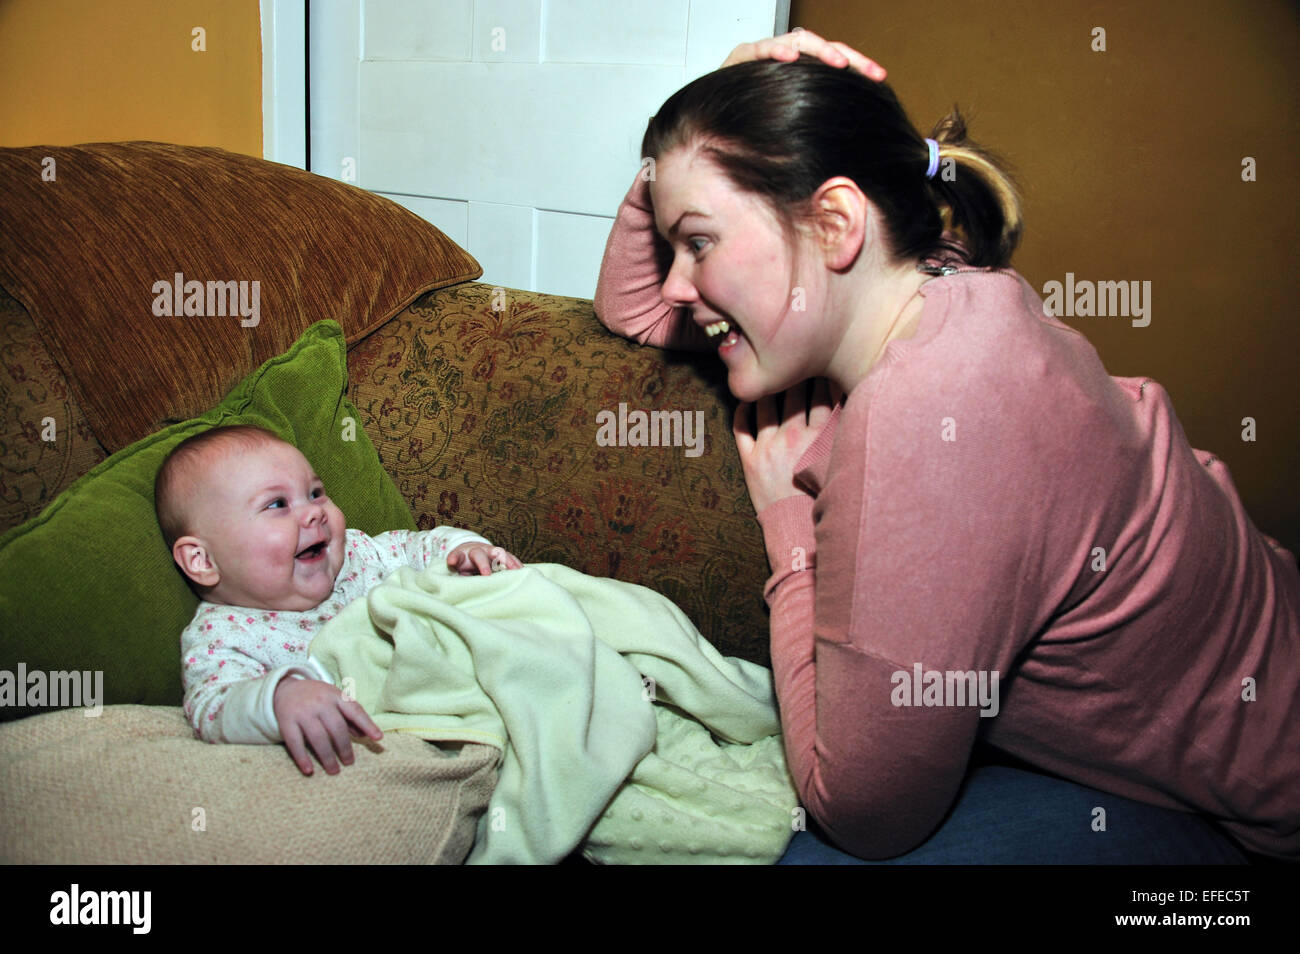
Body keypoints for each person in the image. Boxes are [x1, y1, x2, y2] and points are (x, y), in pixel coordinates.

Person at [593, 29, 1299, 863]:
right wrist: (703, 117)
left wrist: (789, 531)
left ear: (834, 224)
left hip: (1260, 810)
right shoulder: (941, 274)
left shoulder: (929, 424)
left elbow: (860, 813)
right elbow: (633, 314)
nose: (676, 284)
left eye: (699, 242)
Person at [154, 424, 524, 775]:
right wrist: (279, 698)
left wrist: (465, 550)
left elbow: (416, 545)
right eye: (277, 504)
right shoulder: (222, 635)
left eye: (315, 493)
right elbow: (212, 706)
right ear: (202, 561)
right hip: (407, 737)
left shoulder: (355, 554)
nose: (314, 511)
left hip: (471, 677)